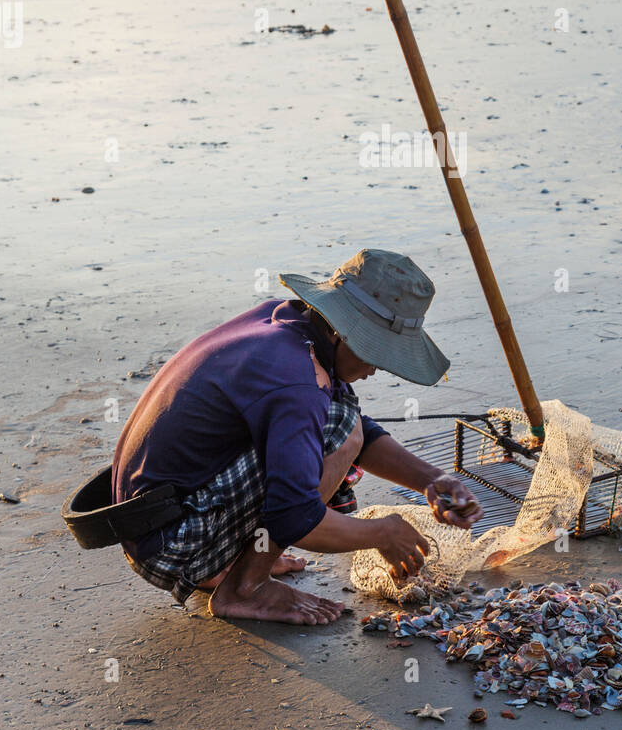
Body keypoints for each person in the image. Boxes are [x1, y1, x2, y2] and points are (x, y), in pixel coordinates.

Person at [112, 249, 482, 624]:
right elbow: (294, 516)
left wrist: (431, 480)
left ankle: (234, 563)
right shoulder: (299, 379)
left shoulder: (287, 324)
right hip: (173, 544)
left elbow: (359, 431)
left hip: (151, 524)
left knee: (342, 421)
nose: (374, 370)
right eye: (374, 354)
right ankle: (246, 588)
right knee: (340, 427)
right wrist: (384, 533)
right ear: (340, 332)